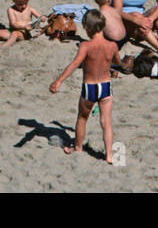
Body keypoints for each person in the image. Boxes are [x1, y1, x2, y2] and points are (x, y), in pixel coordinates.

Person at [48, 9, 124, 163]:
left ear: (88, 28)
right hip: (105, 86)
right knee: (106, 122)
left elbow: (74, 64)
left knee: (82, 118)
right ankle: (109, 155)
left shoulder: (85, 46)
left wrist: (59, 81)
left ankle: (78, 147)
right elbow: (117, 62)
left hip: (90, 87)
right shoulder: (112, 46)